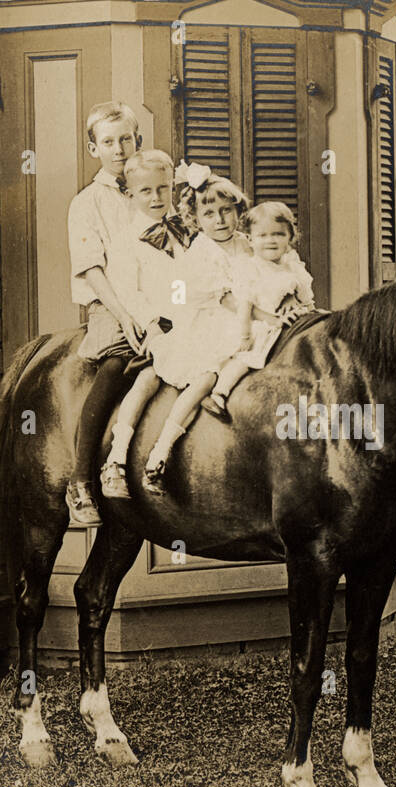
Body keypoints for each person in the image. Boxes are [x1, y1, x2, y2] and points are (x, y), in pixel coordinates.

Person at [135, 163, 254, 494]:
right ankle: (162, 449)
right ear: (196, 220)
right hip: (213, 324)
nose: (219, 220)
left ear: (238, 211)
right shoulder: (202, 251)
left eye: (226, 211)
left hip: (249, 319)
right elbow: (227, 299)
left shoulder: (247, 243)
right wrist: (261, 314)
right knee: (207, 377)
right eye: (210, 214)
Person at [65, 101, 146, 527]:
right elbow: (92, 267)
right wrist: (125, 313)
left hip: (155, 298)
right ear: (93, 146)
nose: (119, 150)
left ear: (139, 141)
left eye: (126, 140)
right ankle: (80, 481)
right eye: (109, 142)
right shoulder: (88, 202)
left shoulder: (151, 192)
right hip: (111, 302)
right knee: (120, 358)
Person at [96, 150, 193, 499]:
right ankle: (118, 457)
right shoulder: (125, 243)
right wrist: (152, 324)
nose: (156, 198)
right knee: (151, 376)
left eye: (163, 189)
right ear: (130, 195)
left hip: (193, 321)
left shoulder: (187, 231)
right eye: (146, 191)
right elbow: (129, 292)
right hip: (159, 326)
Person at [202, 201, 314, 423]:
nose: (271, 240)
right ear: (250, 240)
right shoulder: (250, 267)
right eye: (262, 235)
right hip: (258, 326)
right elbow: (245, 305)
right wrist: (244, 335)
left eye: (278, 234)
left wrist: (307, 311)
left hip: (287, 324)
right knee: (248, 356)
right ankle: (219, 393)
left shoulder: (293, 266)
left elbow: (306, 298)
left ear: (290, 238)